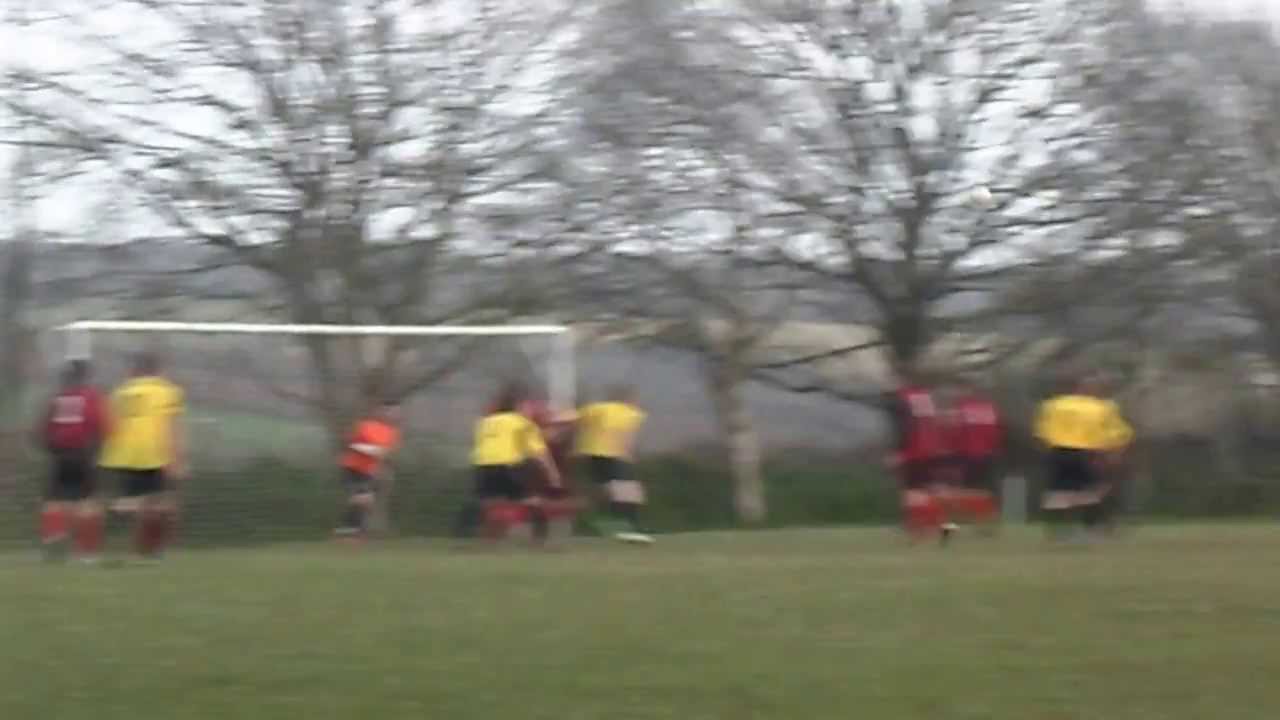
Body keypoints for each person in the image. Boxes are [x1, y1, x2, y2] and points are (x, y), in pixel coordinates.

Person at [98, 352, 187, 561]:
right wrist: (178, 459)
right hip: (154, 452)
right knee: (162, 503)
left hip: (121, 454)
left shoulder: (120, 392)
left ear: (134, 370)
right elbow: (173, 427)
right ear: (158, 369)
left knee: (135, 502)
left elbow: (108, 424)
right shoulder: (167, 391)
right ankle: (153, 550)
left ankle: (130, 544)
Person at [1034, 373, 1134, 541]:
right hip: (1087, 452)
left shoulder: (1053, 405)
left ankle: (1057, 530)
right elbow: (1120, 435)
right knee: (1090, 492)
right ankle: (1093, 530)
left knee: (1058, 491)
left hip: (1058, 451)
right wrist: (1114, 454)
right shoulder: (1102, 407)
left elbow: (1041, 432)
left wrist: (1047, 450)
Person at [34, 359, 109, 562]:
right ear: (85, 376)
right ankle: (86, 552)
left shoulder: (57, 398)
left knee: (53, 501)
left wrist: (51, 449)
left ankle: (53, 536)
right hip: (83, 455)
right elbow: (102, 426)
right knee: (88, 502)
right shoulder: (91, 397)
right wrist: (97, 451)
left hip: (59, 455)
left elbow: (42, 429)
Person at [469, 383, 562, 542]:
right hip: (507, 466)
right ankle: (540, 541)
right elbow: (540, 453)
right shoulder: (522, 423)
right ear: (519, 405)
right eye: (528, 404)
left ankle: (486, 540)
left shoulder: (486, 421)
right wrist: (553, 475)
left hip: (481, 467)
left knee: (490, 505)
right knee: (533, 501)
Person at [572, 384, 650, 544]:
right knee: (631, 492)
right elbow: (627, 437)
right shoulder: (631, 413)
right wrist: (628, 456)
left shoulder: (597, 408)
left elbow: (572, 420)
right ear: (629, 399)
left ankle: (612, 523)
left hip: (590, 454)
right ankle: (630, 527)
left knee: (607, 489)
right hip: (613, 454)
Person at [884, 372, 953, 544]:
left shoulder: (902, 399)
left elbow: (904, 428)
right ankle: (943, 525)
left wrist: (897, 452)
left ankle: (917, 528)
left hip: (913, 451)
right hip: (933, 450)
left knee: (912, 491)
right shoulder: (925, 397)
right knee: (931, 489)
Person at [336, 401, 401, 542]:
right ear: (382, 412)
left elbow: (385, 454)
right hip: (352, 467)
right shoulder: (366, 426)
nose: (394, 415)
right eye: (390, 412)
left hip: (367, 471)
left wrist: (386, 469)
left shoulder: (393, 433)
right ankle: (348, 532)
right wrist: (372, 450)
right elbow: (352, 444)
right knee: (362, 499)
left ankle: (351, 532)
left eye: (396, 412)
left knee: (366, 501)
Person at [947, 380, 1004, 529]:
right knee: (984, 489)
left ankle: (963, 519)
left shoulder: (961, 408)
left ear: (967, 390)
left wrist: (951, 451)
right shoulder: (989, 409)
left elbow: (955, 432)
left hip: (966, 454)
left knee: (964, 489)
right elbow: (996, 433)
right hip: (987, 455)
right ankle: (987, 519)